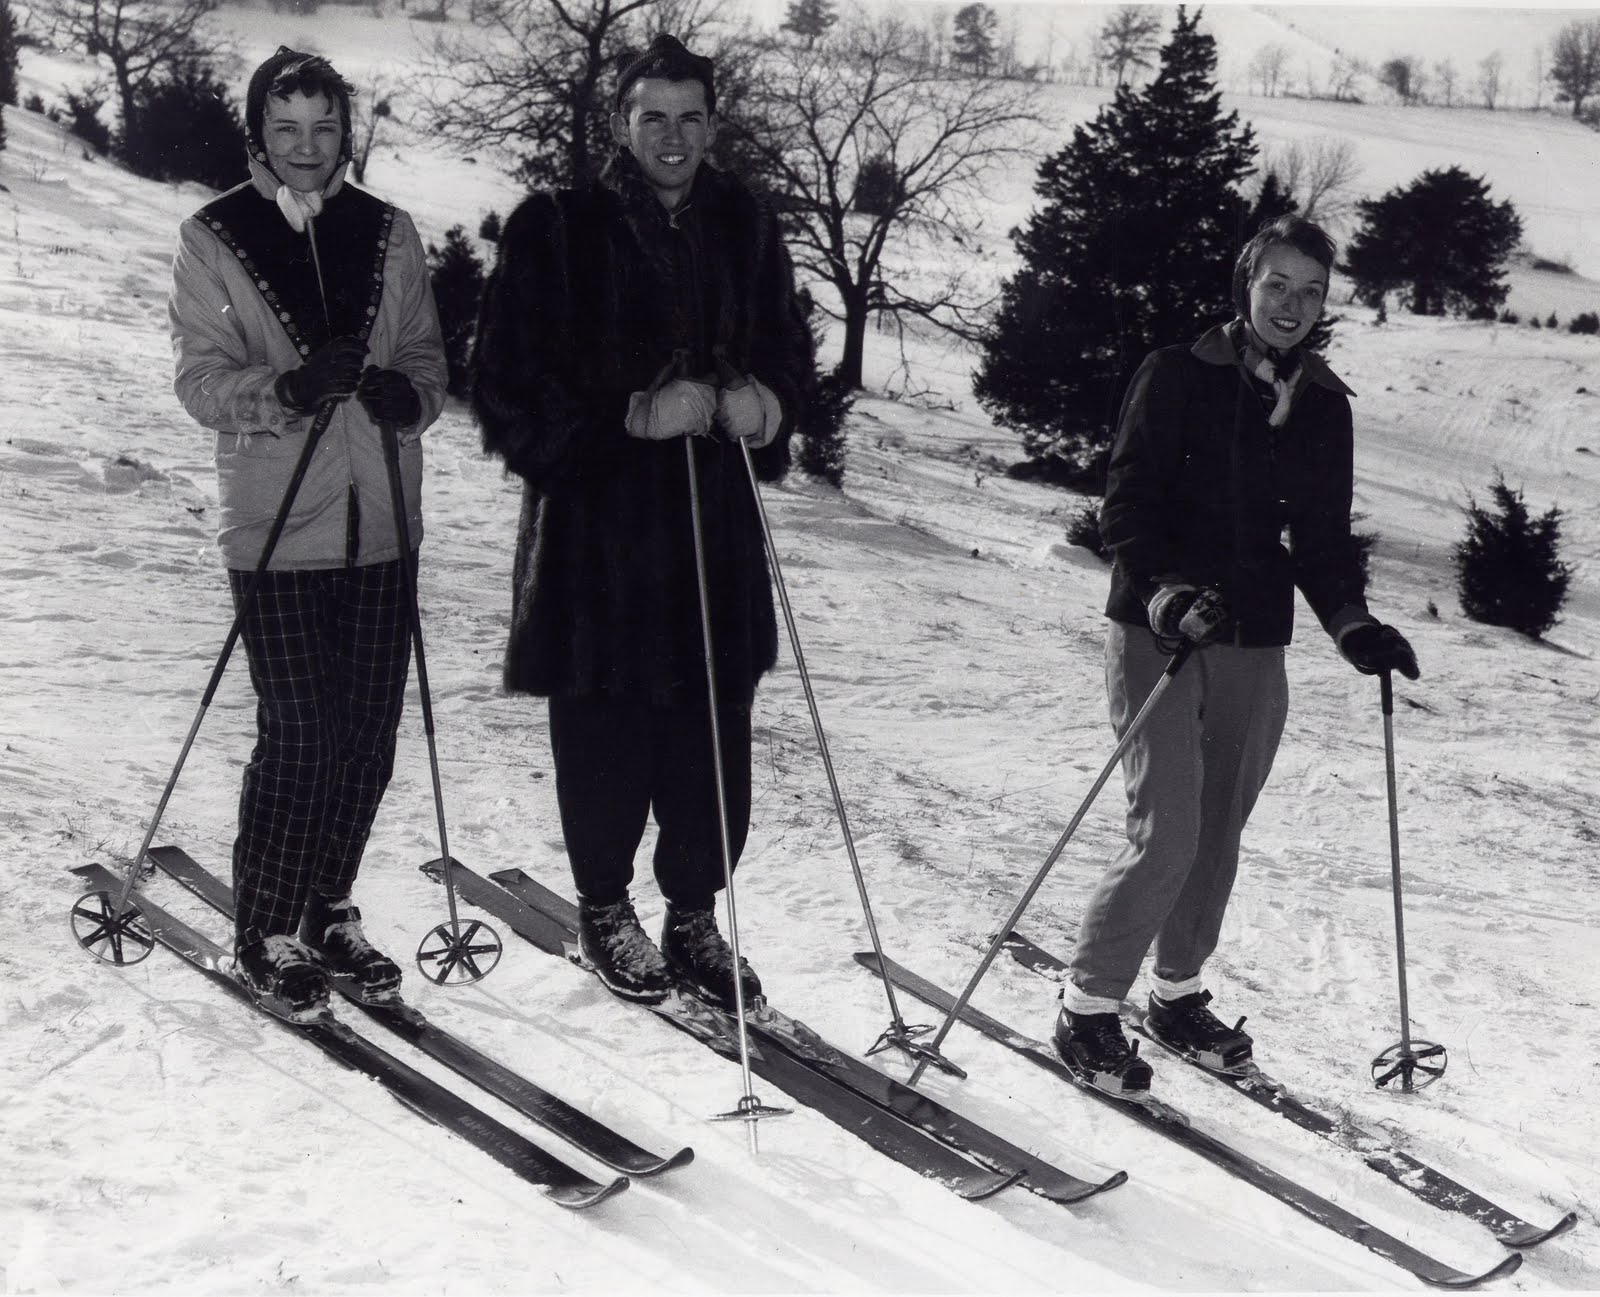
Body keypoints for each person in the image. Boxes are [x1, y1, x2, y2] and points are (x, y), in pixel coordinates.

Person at [470, 34, 812, 1011]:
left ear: (713, 124)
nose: (672, 138)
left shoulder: (744, 223)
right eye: (652, 117)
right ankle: (606, 904)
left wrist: (768, 409)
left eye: (690, 118)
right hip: (600, 540)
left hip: (714, 531)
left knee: (711, 740)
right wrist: (629, 414)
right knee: (608, 735)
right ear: (620, 123)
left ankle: (694, 913)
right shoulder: (557, 227)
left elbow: (788, 358)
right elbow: (504, 391)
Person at [1054, 215, 1419, 1096]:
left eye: (1312, 291)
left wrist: (1352, 625)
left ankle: (1175, 993)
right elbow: (1127, 501)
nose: (1292, 305)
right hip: (1161, 630)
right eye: (1277, 285)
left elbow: (1323, 540)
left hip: (1256, 638)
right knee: (1167, 827)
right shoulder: (1179, 373)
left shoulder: (1324, 405)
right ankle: (1088, 1006)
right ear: (1244, 286)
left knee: (1219, 831)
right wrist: (1164, 593)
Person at [167, 47, 448, 1019]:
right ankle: (266, 925)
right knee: (301, 732)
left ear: (345, 135)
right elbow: (201, 383)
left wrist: (399, 394)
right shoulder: (215, 237)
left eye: (323, 129)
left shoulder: (388, 232)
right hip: (278, 527)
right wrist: (288, 389)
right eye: (285, 129)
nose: (306, 148)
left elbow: (426, 366)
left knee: (366, 736)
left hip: (381, 525)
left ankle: (327, 909)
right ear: (258, 136)